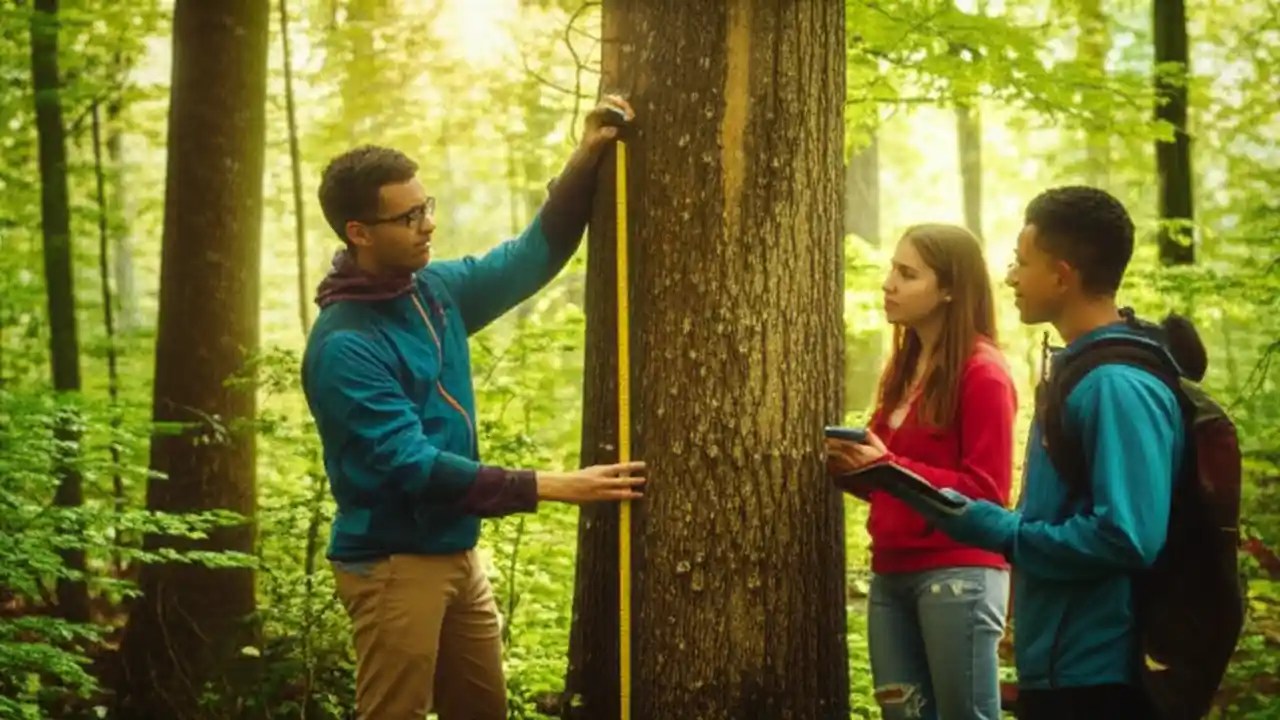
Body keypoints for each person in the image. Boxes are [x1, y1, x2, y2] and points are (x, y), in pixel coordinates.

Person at [301, 96, 644, 720]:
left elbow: (529, 257)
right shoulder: (345, 345)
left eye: (426, 207)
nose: (428, 224)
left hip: (456, 551)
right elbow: (414, 465)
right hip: (392, 564)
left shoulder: (433, 291)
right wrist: (552, 486)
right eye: (409, 217)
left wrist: (584, 159)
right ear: (359, 233)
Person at [915, 187, 1184, 720]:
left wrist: (1001, 530)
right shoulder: (1080, 372)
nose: (1011, 277)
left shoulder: (1115, 386)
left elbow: (1128, 536)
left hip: (1100, 677)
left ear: (1063, 275)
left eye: (1022, 262)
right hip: (1061, 671)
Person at [827, 223, 1017, 720]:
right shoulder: (903, 368)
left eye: (907, 274)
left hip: (959, 574)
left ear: (950, 289)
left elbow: (988, 493)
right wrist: (849, 467)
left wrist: (887, 466)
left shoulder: (984, 373)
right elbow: (891, 484)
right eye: (892, 268)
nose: (889, 283)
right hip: (890, 574)